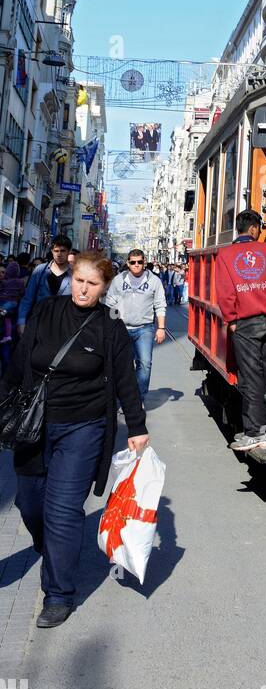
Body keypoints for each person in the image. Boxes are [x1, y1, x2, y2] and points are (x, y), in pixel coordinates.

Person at [0, 251, 149, 627]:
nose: (83, 289)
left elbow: (125, 381)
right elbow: (20, 362)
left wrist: (136, 427)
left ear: (104, 288)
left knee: (62, 510)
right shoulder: (47, 311)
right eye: (79, 281)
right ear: (71, 279)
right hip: (36, 424)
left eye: (92, 284)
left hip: (84, 427)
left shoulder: (109, 326)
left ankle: (58, 594)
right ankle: (45, 542)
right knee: (31, 503)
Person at [215, 211, 266, 459]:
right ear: (254, 229)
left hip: (246, 323)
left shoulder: (225, 254)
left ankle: (255, 432)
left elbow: (225, 292)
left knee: (250, 378)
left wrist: (231, 320)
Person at [104, 250, 167, 401]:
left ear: (144, 262)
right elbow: (110, 303)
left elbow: (160, 305)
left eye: (140, 262)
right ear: (128, 263)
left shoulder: (154, 281)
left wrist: (161, 328)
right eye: (133, 262)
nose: (136, 265)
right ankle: (123, 396)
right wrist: (112, 325)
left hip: (144, 328)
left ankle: (138, 399)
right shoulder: (119, 280)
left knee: (145, 364)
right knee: (122, 366)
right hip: (122, 328)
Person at [17, 236, 73, 329]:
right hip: (38, 322)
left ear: (69, 252)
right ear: (52, 251)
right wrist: (21, 321)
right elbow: (28, 297)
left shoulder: (74, 273)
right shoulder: (40, 270)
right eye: (56, 251)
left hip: (62, 325)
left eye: (63, 251)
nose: (59, 254)